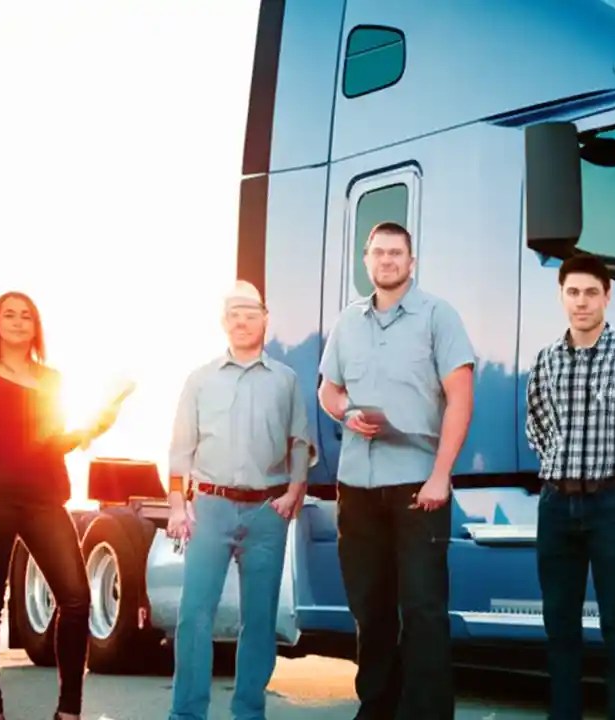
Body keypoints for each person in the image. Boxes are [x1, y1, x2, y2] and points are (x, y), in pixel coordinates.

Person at [317, 221, 475, 720]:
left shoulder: (437, 316)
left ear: (412, 262)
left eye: (396, 253)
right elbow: (328, 390)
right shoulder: (347, 323)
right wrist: (346, 413)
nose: (386, 260)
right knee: (370, 608)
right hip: (357, 489)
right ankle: (378, 709)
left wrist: (441, 475)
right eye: (378, 252)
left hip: (416, 486)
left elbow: (460, 398)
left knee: (424, 610)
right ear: (366, 260)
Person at [0, 290, 125, 720]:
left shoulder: (51, 381)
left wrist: (98, 420)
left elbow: (50, 441)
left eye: (27, 315)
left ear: (35, 327)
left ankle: (69, 711)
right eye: (9, 314)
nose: (18, 321)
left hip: (43, 498)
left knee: (77, 598)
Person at [525, 253, 615, 720]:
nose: (582, 302)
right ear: (561, 296)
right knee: (560, 624)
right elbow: (537, 426)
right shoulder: (546, 361)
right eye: (573, 292)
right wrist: (564, 467)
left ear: (607, 296)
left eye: (591, 292)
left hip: (612, 504)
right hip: (555, 505)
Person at [165, 280, 314, 720]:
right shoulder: (199, 380)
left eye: (251, 313)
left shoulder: (285, 381)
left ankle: (249, 712)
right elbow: (180, 449)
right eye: (235, 314)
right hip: (209, 509)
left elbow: (300, 442)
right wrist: (177, 505)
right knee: (194, 616)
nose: (243, 321)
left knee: (260, 622)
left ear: (265, 320)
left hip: (267, 513)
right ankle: (187, 713)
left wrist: (293, 493)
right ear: (223, 322)